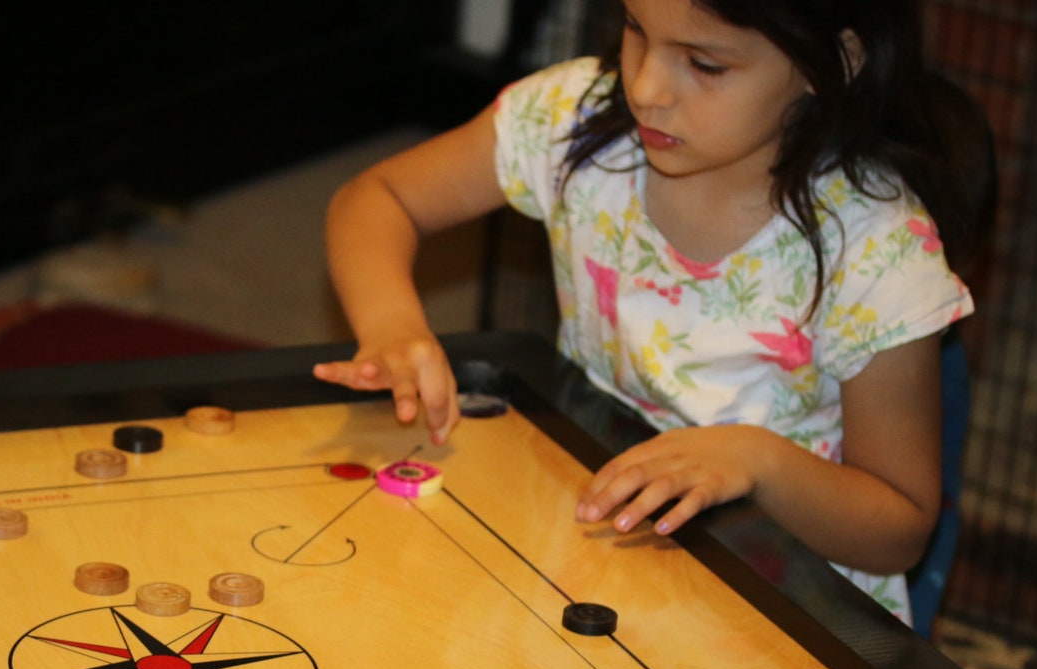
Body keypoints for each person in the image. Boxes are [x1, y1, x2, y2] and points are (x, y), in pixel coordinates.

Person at [315, 0, 992, 629]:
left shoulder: (876, 248)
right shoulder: (575, 118)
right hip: (595, 542)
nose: (645, 88)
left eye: (704, 64)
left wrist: (758, 460)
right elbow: (377, 198)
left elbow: (898, 527)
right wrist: (393, 325)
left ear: (834, 62)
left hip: (783, 612)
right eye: (637, 29)